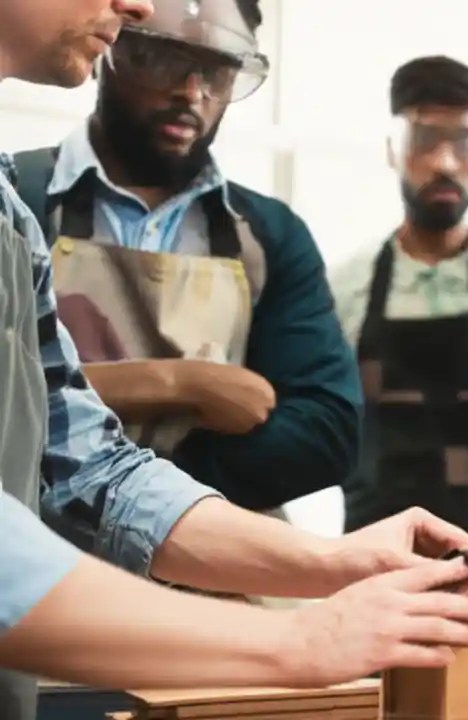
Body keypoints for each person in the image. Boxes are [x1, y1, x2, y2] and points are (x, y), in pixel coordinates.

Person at [0, 3, 468, 716]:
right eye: (166, 58)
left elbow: (88, 469)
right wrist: (293, 643)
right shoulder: (32, 195)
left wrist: (334, 563)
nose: (137, 3)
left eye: (218, 72)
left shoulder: (11, 214)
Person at [9, 0, 360, 518]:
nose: (192, 93)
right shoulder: (18, 199)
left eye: (217, 74)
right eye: (165, 60)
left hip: (220, 559)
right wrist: (183, 384)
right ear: (112, 49)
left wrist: (153, 491)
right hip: (37, 553)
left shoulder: (268, 235)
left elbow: (326, 430)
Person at [330, 55, 468, 543]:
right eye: (425, 143)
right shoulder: (339, 291)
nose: (445, 164)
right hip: (379, 569)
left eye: (464, 144)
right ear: (393, 149)